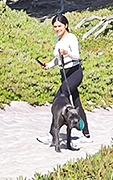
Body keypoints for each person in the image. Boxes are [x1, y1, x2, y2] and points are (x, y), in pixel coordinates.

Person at [37, 13, 90, 143]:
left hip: (74, 72)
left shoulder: (71, 38)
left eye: (59, 26)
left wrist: (68, 53)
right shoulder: (58, 40)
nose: (57, 29)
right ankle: (86, 134)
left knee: (58, 100)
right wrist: (48, 65)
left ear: (65, 25)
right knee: (76, 102)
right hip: (64, 73)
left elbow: (76, 56)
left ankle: (52, 134)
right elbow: (57, 59)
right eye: (55, 27)